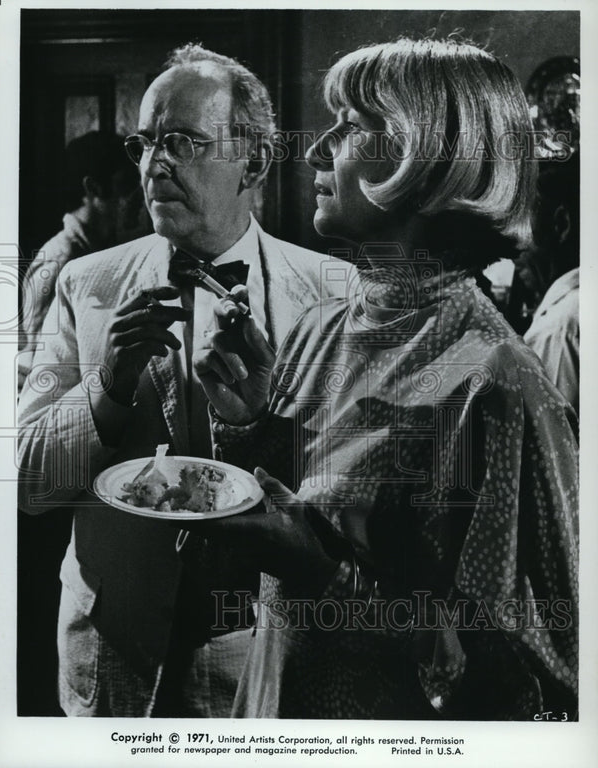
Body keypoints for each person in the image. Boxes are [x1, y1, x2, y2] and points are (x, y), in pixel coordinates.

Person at [194, 38, 579, 719]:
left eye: (349, 126)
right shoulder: (321, 330)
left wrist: (324, 575)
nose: (315, 152)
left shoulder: (489, 376)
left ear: (430, 157)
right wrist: (249, 423)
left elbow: (515, 666)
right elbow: (287, 521)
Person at [17, 43, 351, 717]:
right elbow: (27, 483)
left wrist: (261, 426)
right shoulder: (85, 284)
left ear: (253, 160)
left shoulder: (332, 292)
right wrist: (105, 389)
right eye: (144, 143)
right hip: (111, 655)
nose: (152, 164)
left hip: (253, 661)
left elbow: (347, 504)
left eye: (182, 142)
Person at [18, 131, 146, 389]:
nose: (139, 196)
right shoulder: (59, 260)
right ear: (93, 188)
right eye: (127, 183)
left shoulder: (101, 252)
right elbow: (37, 367)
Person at [524, 156, 580, 414]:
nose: (512, 242)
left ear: (561, 224)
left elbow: (552, 449)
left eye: (522, 222)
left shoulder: (559, 330)